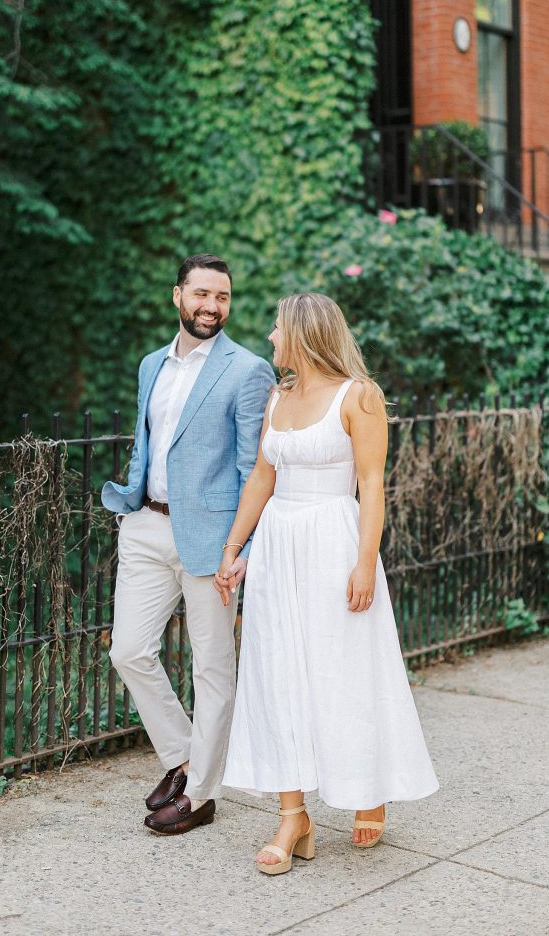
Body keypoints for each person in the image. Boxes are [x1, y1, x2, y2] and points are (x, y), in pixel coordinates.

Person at [215, 292, 438, 874]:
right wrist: (235, 549)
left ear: (305, 333)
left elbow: (371, 485)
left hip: (333, 540)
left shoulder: (358, 396)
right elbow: (262, 479)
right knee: (276, 671)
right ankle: (294, 816)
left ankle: (368, 786)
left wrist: (365, 563)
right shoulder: (276, 398)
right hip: (278, 546)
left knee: (344, 667)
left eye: (276, 326)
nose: (269, 336)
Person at [102, 254, 274, 835]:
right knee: (127, 651)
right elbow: (145, 441)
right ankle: (181, 757)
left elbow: (255, 468)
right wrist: (129, 500)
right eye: (202, 294)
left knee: (213, 668)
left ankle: (200, 793)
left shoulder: (248, 371)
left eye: (222, 297)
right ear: (178, 295)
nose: (212, 307)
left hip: (212, 542)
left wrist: (242, 546)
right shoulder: (152, 364)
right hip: (147, 528)